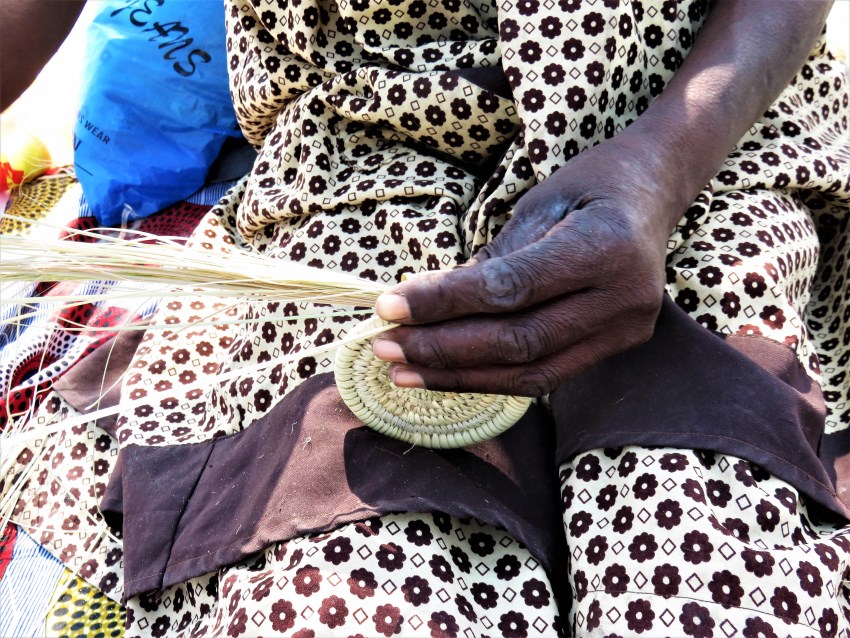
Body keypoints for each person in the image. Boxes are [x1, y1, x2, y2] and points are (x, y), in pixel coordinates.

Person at [4, 0, 850, 636]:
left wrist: (659, 171)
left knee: (709, 571)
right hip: (356, 171)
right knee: (335, 598)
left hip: (698, 147)